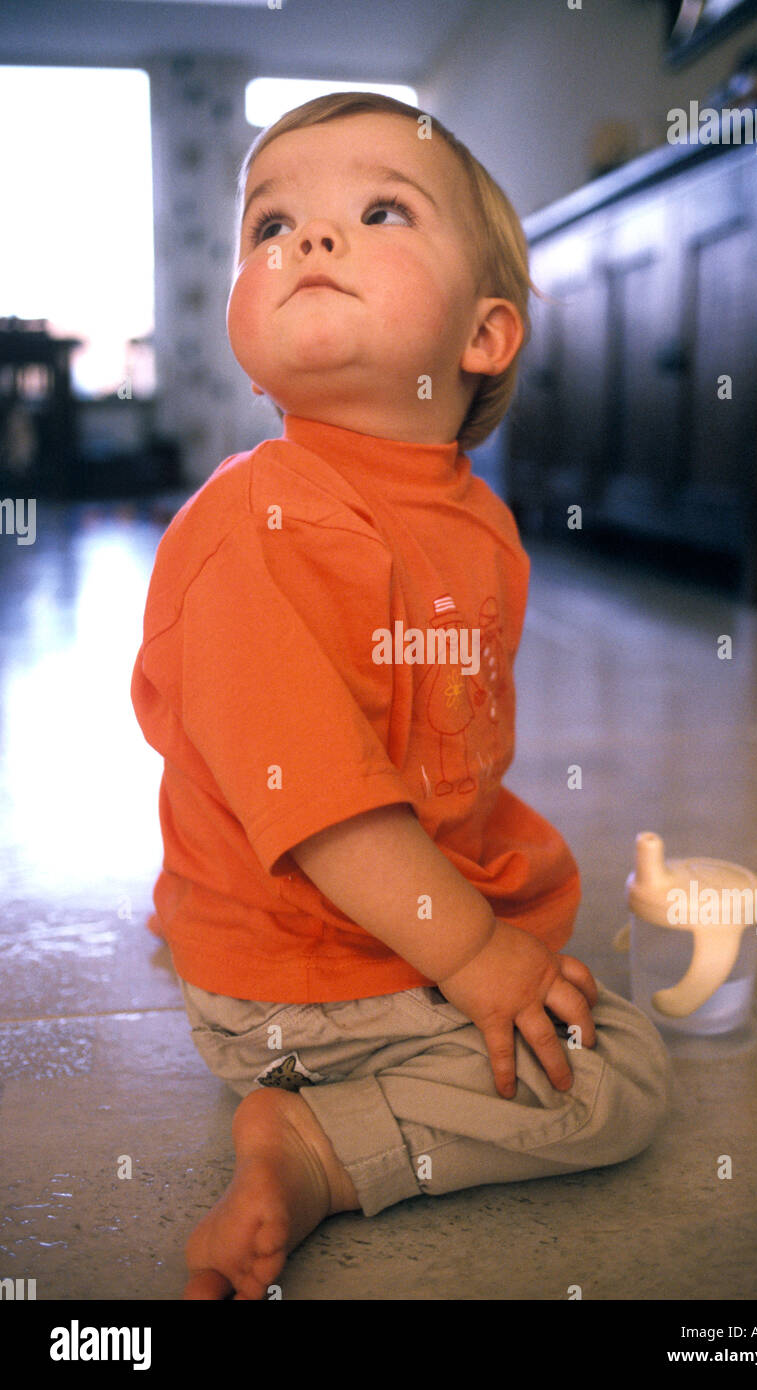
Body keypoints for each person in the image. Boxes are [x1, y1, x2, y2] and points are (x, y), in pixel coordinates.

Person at [131, 92, 671, 1301]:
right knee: (617, 1074)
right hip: (308, 971)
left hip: (391, 916)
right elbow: (323, 802)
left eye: (377, 211)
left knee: (558, 982)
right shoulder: (253, 528)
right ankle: (320, 1145)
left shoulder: (476, 522)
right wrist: (478, 953)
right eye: (271, 224)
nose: (306, 242)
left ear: (486, 336)